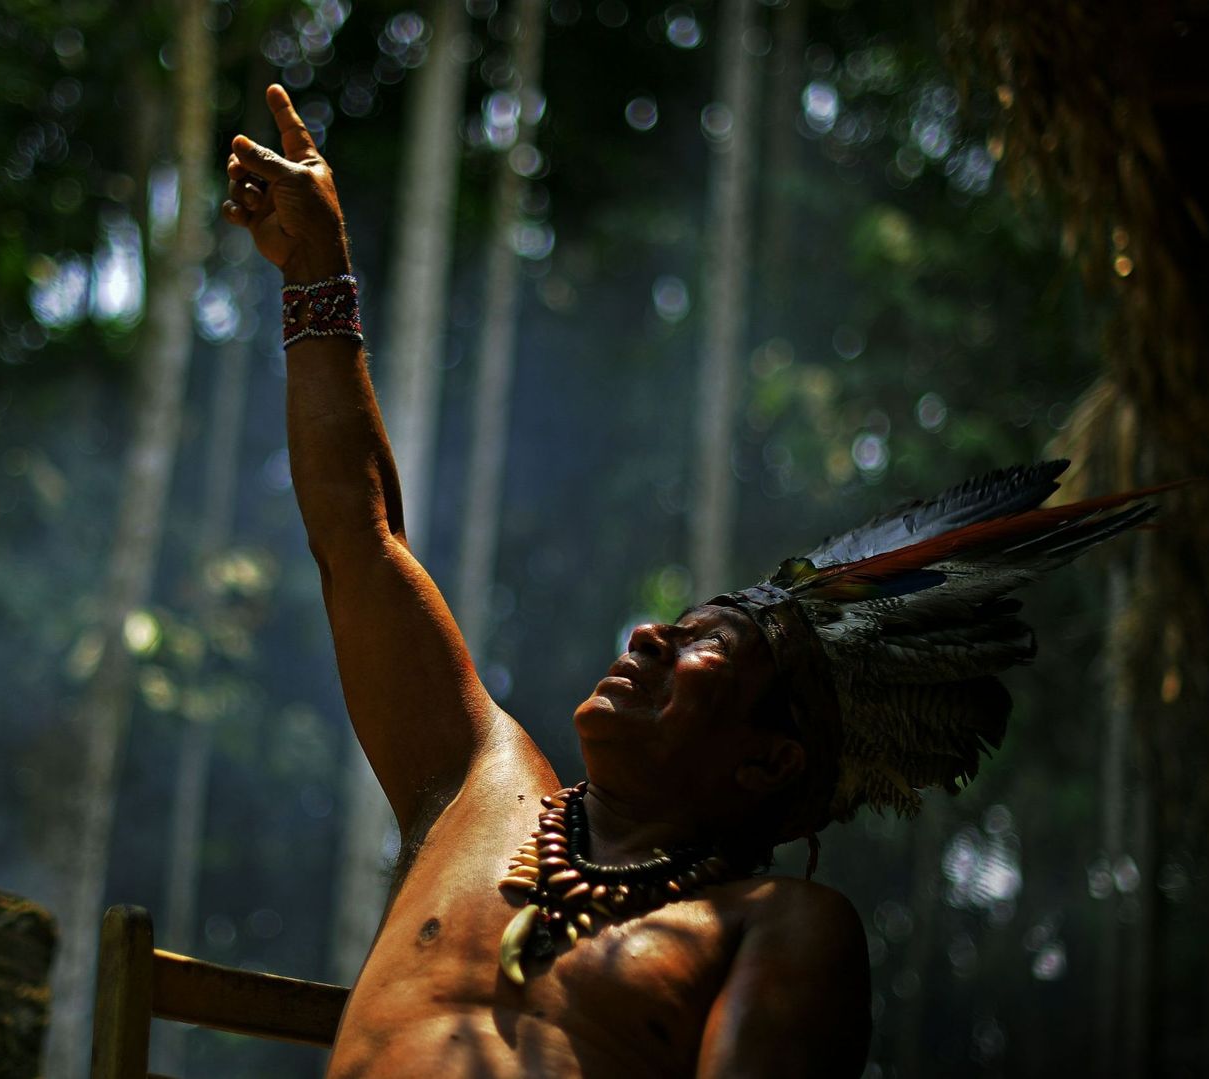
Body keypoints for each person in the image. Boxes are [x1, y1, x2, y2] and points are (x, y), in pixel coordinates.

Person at [222, 84, 1157, 1078]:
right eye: (670, 623)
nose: (646, 638)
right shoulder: (477, 777)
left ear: (764, 760)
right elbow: (359, 537)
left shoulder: (779, 925)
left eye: (706, 641)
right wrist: (316, 270)